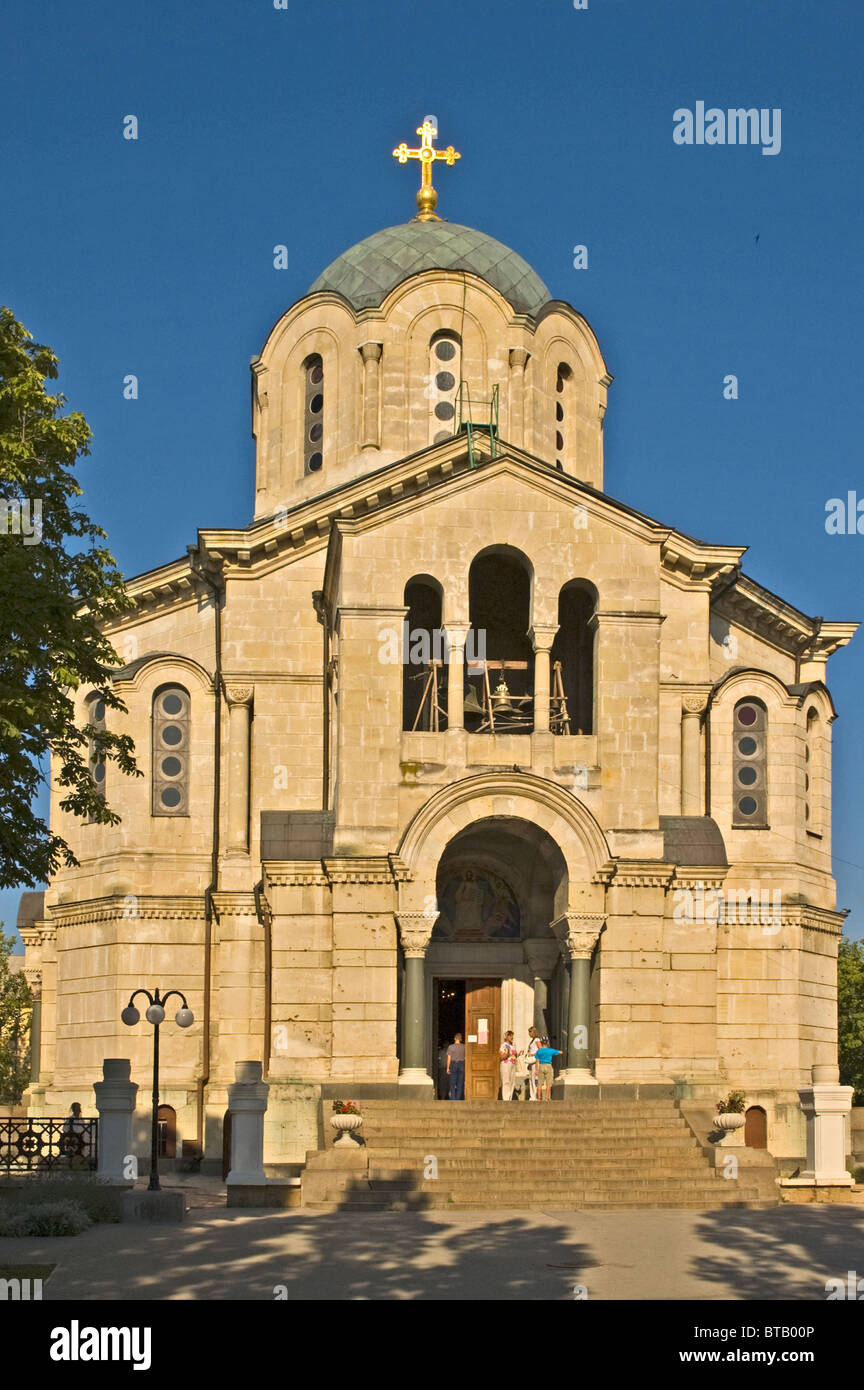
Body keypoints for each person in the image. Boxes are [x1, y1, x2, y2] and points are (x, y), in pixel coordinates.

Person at [535, 1037, 562, 1101]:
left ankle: (539, 1098)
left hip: (541, 1066)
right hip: (548, 1066)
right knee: (548, 1083)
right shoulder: (550, 1050)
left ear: (541, 1043)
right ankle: (547, 1097)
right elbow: (560, 1052)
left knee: (539, 1083)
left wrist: (536, 1070)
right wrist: (561, 1051)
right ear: (547, 1042)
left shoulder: (539, 1051)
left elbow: (536, 1061)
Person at [499, 1030, 518, 1101]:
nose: (511, 1037)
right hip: (506, 1065)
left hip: (513, 1064)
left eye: (512, 1035)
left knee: (512, 1081)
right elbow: (501, 1057)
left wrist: (518, 1054)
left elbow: (514, 1056)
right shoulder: (504, 1045)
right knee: (506, 1081)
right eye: (510, 1035)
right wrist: (508, 1053)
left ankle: (510, 1098)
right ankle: (506, 1099)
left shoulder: (513, 1046)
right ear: (506, 1037)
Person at [446, 1033, 465, 1100]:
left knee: (452, 1082)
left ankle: (453, 1098)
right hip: (461, 1064)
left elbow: (449, 1058)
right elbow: (466, 1057)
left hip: (453, 1064)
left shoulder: (451, 1047)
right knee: (460, 1082)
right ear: (460, 1039)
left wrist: (448, 1068)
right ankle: (458, 1098)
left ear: (455, 1038)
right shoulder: (464, 1047)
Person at [525, 1026, 540, 1101]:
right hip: (531, 1061)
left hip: (535, 1061)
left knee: (534, 1079)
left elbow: (540, 1049)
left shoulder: (537, 1040)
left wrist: (532, 1054)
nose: (529, 1034)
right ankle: (532, 1096)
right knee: (531, 1078)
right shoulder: (532, 1040)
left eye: (530, 1032)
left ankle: (535, 1096)